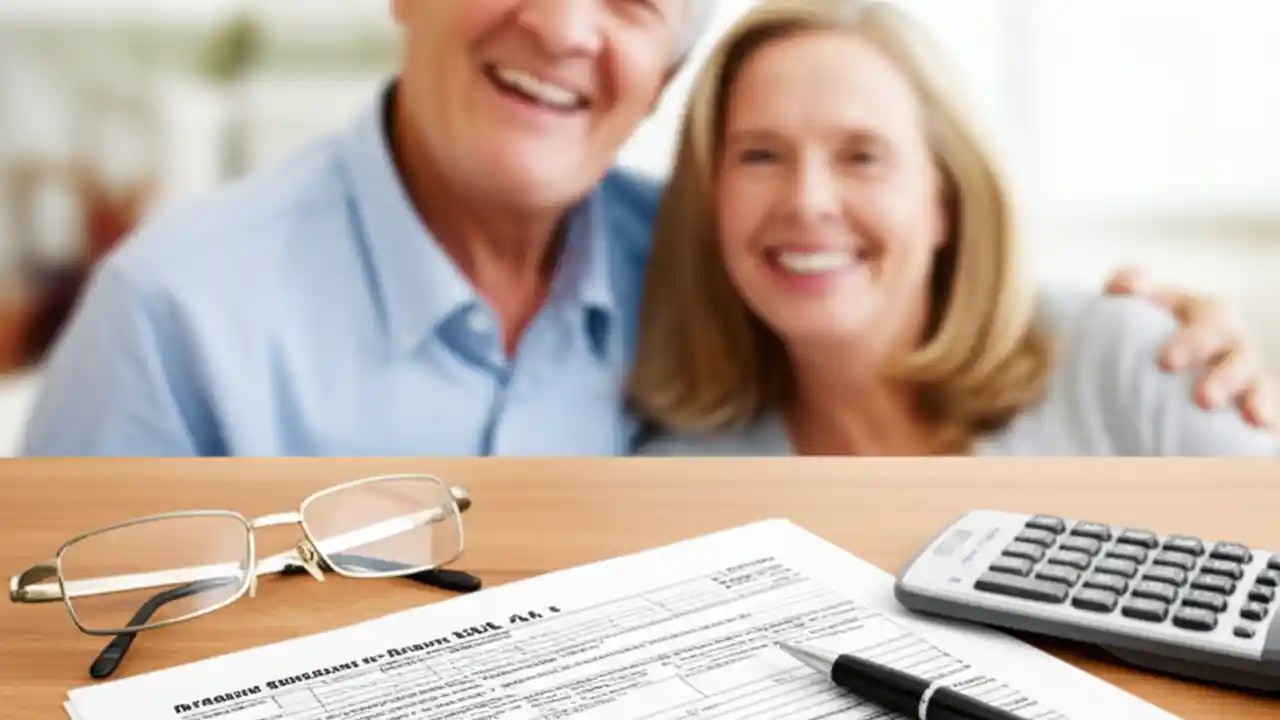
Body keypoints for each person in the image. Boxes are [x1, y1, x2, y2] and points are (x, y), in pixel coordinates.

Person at [21, 0, 1273, 457]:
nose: (568, 26)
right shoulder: (168, 314)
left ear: (664, 69)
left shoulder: (711, 262)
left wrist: (1154, 334)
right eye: (765, 157)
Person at [631, 0, 1278, 457]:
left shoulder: (1134, 359)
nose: (806, 200)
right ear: (712, 197)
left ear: (946, 201)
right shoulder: (690, 473)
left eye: (862, 155)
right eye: (760, 155)